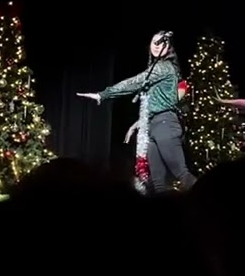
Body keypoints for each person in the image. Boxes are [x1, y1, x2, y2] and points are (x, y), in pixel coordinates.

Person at [78, 30, 196, 192]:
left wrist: (103, 94)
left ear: (168, 47)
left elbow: (135, 82)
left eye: (161, 42)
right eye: (154, 42)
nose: (156, 45)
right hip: (154, 126)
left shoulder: (164, 68)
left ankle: (211, 200)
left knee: (181, 173)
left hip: (165, 124)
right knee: (157, 181)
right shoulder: (157, 68)